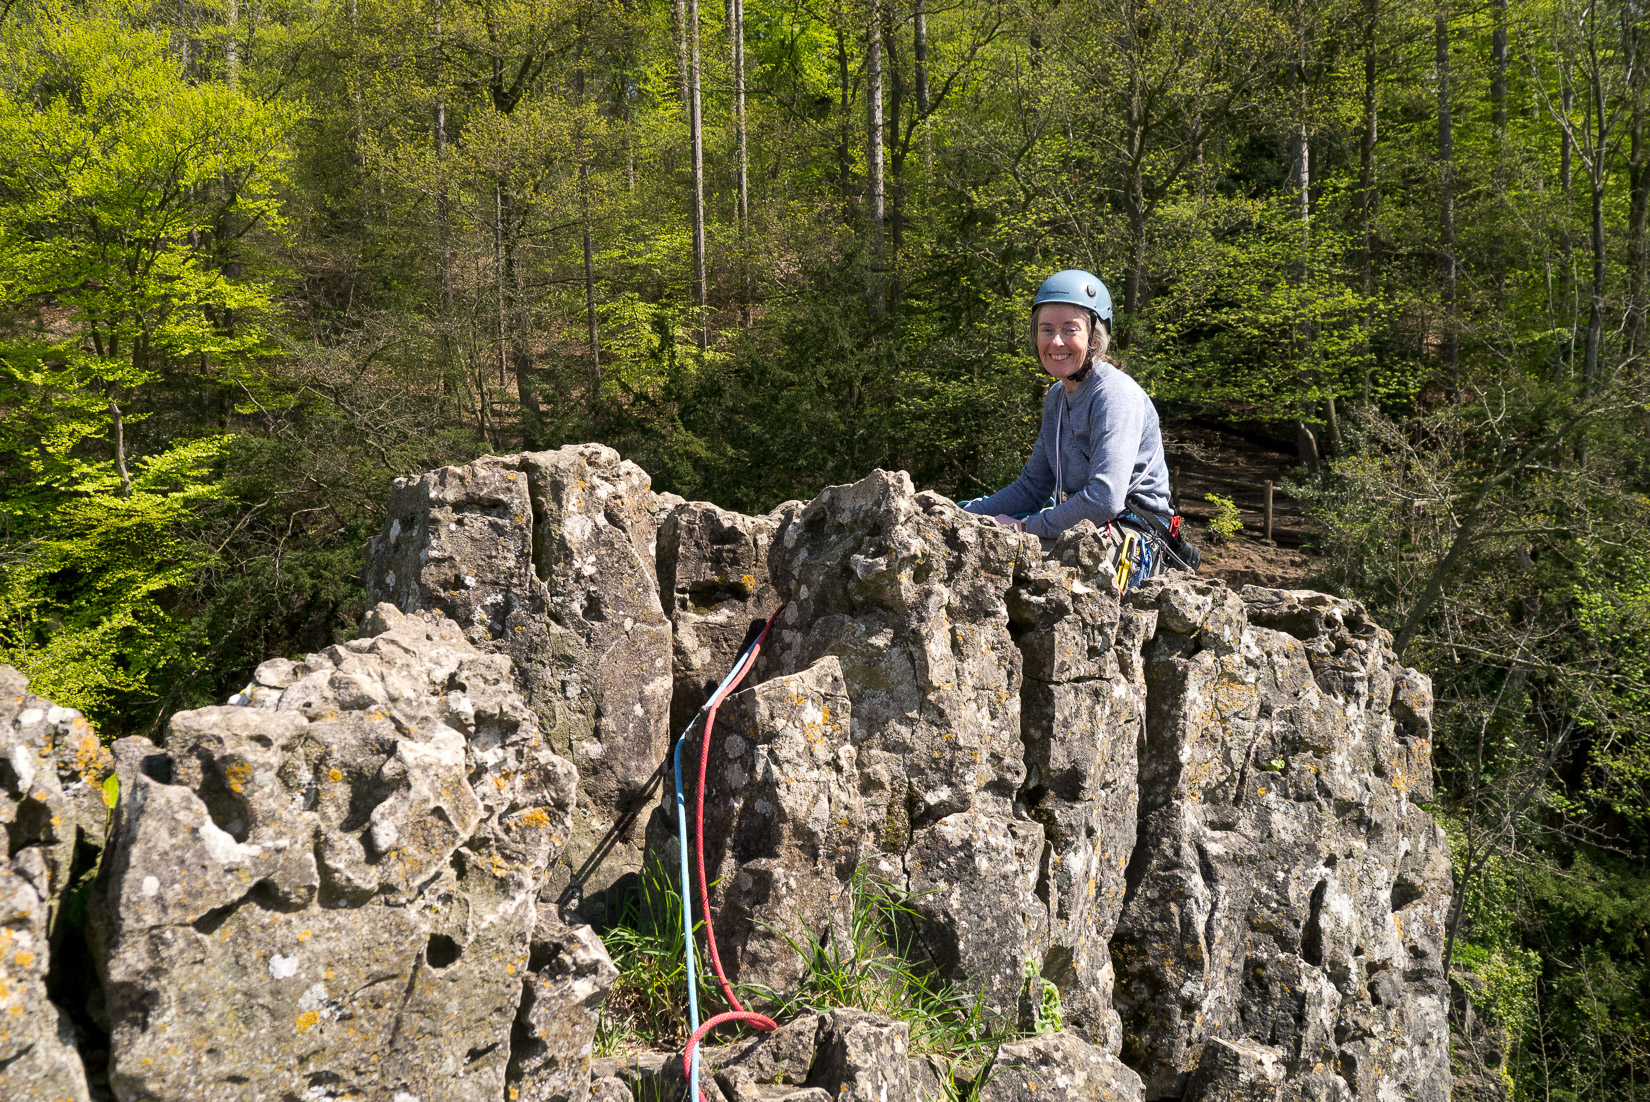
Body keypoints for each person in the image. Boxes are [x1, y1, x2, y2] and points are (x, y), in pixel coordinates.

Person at [963, 269, 1187, 583]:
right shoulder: (1057, 397)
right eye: (1046, 329)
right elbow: (1031, 487)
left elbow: (1105, 498)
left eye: (1070, 329)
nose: (1056, 341)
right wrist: (966, 516)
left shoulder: (1115, 395)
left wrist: (1027, 528)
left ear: (1094, 337)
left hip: (1132, 540)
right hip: (1092, 529)